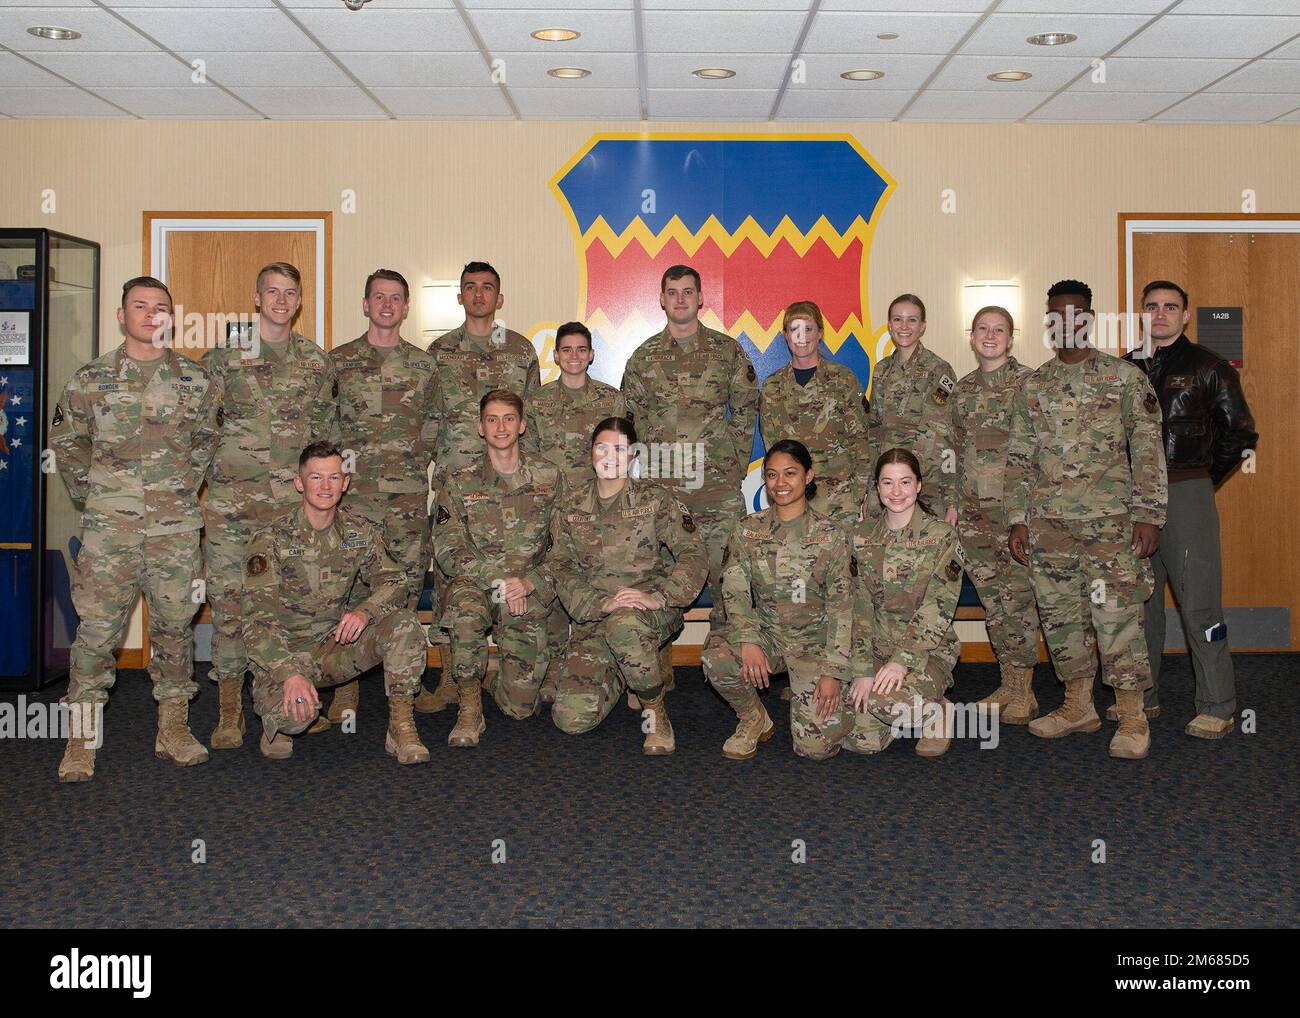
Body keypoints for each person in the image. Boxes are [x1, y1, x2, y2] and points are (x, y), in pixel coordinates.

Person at [51, 276, 219, 781]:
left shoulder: (196, 380)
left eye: (161, 307)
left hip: (174, 532)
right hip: (110, 535)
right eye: (140, 306)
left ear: (172, 317)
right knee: (97, 636)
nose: (151, 315)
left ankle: (173, 729)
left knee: (173, 631)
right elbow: (68, 445)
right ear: (121, 316)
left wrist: (177, 492)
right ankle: (81, 740)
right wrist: (100, 499)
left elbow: (206, 443)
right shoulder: (90, 380)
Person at [1006, 279, 1167, 760]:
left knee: (1117, 619)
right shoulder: (1033, 386)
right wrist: (1018, 519)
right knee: (1060, 619)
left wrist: (1150, 514)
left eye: (1075, 313)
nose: (1066, 321)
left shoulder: (1124, 379)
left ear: (1089, 318)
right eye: (1056, 314)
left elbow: (1147, 449)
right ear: (1048, 321)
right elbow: (1018, 457)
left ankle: (1133, 715)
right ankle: (1078, 705)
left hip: (1110, 524)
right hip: (1050, 525)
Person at [203, 262, 337, 750]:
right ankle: (229, 712)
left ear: (299, 301)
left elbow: (326, 438)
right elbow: (201, 430)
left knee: (282, 611)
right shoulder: (222, 356)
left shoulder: (316, 363)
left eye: (290, 293)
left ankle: (278, 703)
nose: (281, 300)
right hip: (232, 510)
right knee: (230, 606)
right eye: (272, 292)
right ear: (257, 297)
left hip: (288, 513)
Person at [1123, 279, 1258, 739]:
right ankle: (1143, 697)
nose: (1160, 314)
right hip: (1134, 501)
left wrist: (1199, 481)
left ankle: (1217, 704)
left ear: (1185, 316)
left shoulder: (1210, 367)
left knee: (1201, 606)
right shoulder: (1126, 368)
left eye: (1170, 307)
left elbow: (1240, 436)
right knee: (1142, 606)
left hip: (1187, 494)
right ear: (1142, 314)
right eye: (1152, 306)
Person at [242, 441, 429, 764]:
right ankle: (279, 723)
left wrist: (364, 612)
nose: (325, 487)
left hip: (334, 650)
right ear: (299, 483)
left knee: (405, 625)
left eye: (333, 478)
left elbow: (396, 581)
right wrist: (289, 673)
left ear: (345, 483)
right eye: (315, 478)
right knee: (297, 717)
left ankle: (401, 726)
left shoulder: (359, 533)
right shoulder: (271, 539)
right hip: (284, 655)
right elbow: (256, 623)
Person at [418, 261, 541, 715]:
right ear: (460, 296)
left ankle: (519, 667)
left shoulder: (520, 350)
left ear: (499, 298)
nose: (478, 295)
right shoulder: (439, 352)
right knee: (453, 578)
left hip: (509, 486)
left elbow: (534, 419)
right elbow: (429, 418)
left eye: (488, 288)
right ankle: (452, 676)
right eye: (470, 287)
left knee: (516, 566)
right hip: (457, 480)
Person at [703, 440, 877, 760]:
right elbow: (735, 591)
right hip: (768, 634)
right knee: (718, 655)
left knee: (814, 749)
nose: (780, 483)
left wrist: (832, 671)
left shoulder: (832, 535)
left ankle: (859, 707)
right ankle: (754, 720)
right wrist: (748, 638)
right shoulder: (747, 530)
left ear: (808, 476)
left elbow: (843, 608)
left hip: (815, 642)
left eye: (790, 473)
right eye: (772, 475)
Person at [547, 417, 708, 753]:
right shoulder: (570, 506)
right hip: (595, 616)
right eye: (602, 447)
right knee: (571, 720)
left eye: (619, 449)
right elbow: (560, 565)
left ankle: (655, 711)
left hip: (648, 612)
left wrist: (660, 597)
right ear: (590, 452)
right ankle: (631, 669)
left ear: (633, 455)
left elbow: (693, 553)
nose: (610, 456)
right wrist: (597, 604)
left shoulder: (656, 500)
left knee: (624, 626)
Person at [620, 264, 759, 652]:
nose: (680, 299)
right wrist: (643, 474)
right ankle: (655, 667)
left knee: (729, 579)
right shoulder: (643, 358)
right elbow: (629, 418)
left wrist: (732, 462)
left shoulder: (726, 350)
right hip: (662, 490)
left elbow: (747, 407)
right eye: (673, 292)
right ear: (661, 300)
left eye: (688, 291)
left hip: (715, 487)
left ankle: (727, 663)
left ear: (700, 298)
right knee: (659, 577)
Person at [325, 269, 440, 729]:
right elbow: (324, 424)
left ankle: (403, 692)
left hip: (407, 496)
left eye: (396, 298)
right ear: (366, 304)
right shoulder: (338, 361)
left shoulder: (423, 364)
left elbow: (434, 423)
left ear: (406, 307)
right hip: (352, 498)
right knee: (349, 586)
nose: (387, 305)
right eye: (379, 297)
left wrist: (411, 463)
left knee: (407, 586)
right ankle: (346, 687)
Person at [434, 389, 563, 747]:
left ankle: (495, 679)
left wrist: (532, 581)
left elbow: (567, 545)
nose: (500, 426)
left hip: (526, 588)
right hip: (478, 584)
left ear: (522, 425)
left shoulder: (549, 477)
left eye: (508, 418)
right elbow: (447, 548)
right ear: (480, 427)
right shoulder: (459, 481)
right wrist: (499, 580)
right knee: (465, 612)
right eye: (492, 419)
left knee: (520, 708)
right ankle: (469, 706)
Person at [945, 305, 1040, 724]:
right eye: (982, 328)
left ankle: (1026, 692)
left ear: (1011, 337)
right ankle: (1009, 682)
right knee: (995, 603)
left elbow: (1041, 450)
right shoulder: (962, 391)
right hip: (972, 517)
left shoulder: (1031, 384)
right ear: (971, 336)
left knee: (1018, 600)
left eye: (998, 329)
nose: (989, 335)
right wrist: (951, 503)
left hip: (1015, 515)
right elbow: (954, 453)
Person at [527, 320, 625, 704]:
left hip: (596, 511)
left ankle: (604, 664)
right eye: (566, 350)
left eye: (581, 349)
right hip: (551, 509)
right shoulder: (537, 402)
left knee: (593, 583)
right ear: (555, 356)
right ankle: (553, 668)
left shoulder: (611, 400)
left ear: (592, 355)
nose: (573, 356)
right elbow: (530, 458)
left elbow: (619, 455)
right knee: (555, 583)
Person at [846, 449, 964, 758]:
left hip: (925, 651)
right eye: (887, 483)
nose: (896, 492)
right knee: (861, 740)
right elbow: (859, 606)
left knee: (884, 703)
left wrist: (901, 659)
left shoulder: (941, 536)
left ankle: (937, 712)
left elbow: (938, 607)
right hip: (876, 647)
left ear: (919, 485)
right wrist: (861, 668)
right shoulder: (860, 536)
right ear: (877, 487)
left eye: (905, 482)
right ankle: (883, 718)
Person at [758, 301, 871, 525]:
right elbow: (773, 447)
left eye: (808, 329)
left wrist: (861, 493)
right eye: (794, 329)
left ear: (820, 333)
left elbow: (861, 441)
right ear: (786, 336)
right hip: (790, 500)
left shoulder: (843, 380)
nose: (802, 336)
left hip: (839, 500)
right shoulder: (773, 386)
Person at [866, 294, 956, 517]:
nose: (904, 326)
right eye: (897, 319)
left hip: (922, 480)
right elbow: (875, 429)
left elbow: (936, 432)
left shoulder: (939, 370)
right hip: (885, 483)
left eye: (912, 320)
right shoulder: (882, 370)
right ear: (889, 325)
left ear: (923, 326)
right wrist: (873, 483)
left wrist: (905, 477)